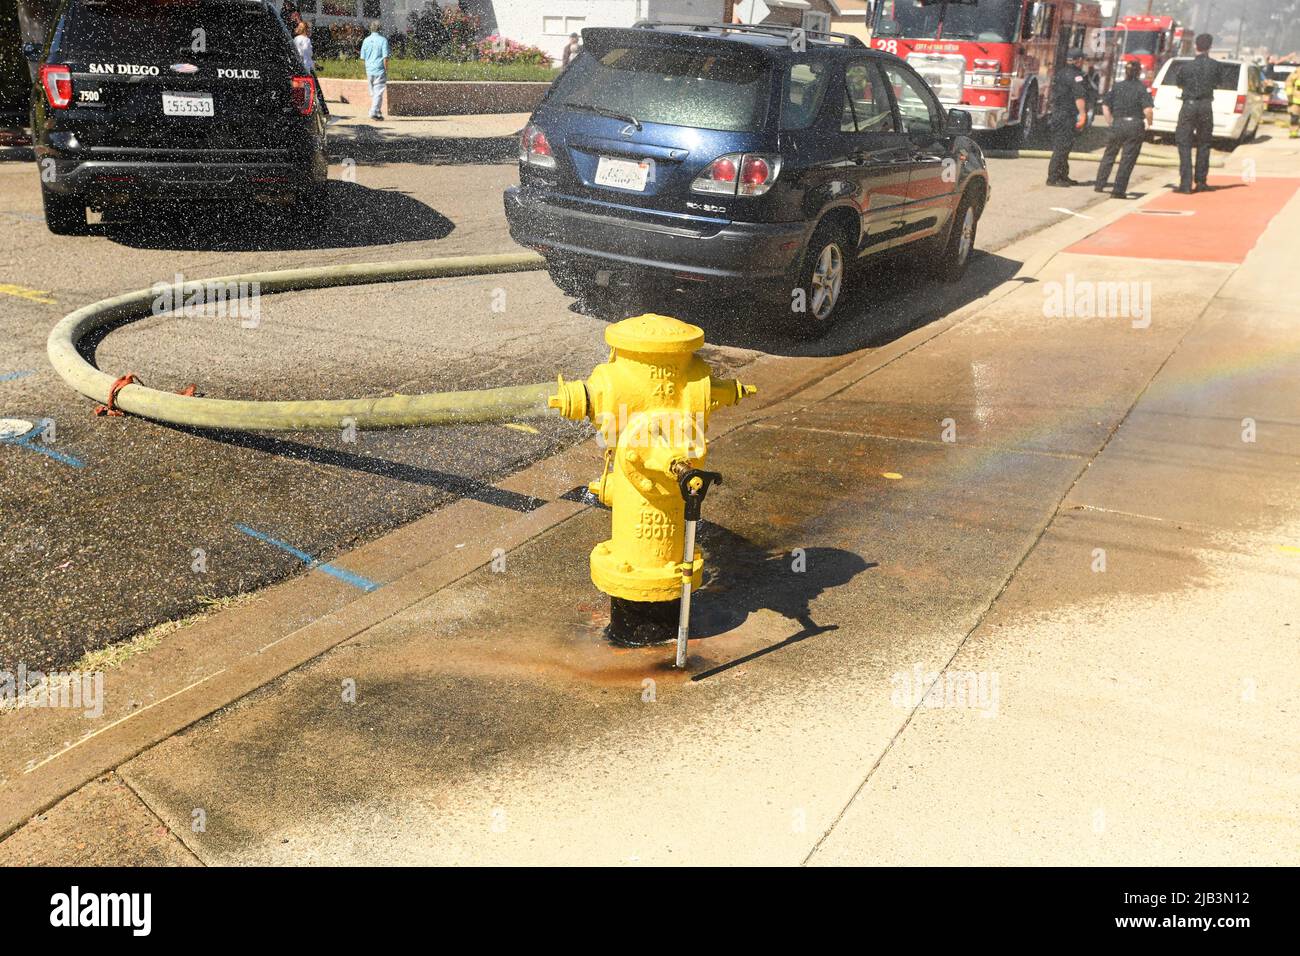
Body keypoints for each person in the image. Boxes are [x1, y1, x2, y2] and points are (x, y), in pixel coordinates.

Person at [1094, 60, 1154, 199]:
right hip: (1134, 125)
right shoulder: (1141, 88)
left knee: (1109, 154)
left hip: (1118, 124)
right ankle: (1118, 190)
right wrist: (1149, 123)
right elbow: (1148, 110)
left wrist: (1111, 122)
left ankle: (1100, 184)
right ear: (1139, 72)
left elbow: (1105, 106)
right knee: (1127, 159)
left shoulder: (1117, 86)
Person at [1173, 34, 1218, 194]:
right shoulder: (1215, 66)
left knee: (1184, 143)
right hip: (1206, 105)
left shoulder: (1186, 67)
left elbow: (1179, 83)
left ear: (1195, 46)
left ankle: (1185, 183)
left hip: (1189, 105)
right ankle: (1201, 181)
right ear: (1210, 47)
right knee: (1204, 143)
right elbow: (1217, 82)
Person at [1046, 48, 1089, 187]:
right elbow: (1079, 97)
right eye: (1082, 59)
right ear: (1079, 60)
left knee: (1064, 146)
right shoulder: (1077, 76)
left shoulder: (1061, 72)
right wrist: (1082, 114)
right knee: (1062, 147)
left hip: (1057, 113)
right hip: (1066, 116)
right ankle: (1053, 178)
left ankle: (1063, 176)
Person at [360, 19, 389, 121]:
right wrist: (386, 70)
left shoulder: (366, 40)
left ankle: (377, 112)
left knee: (374, 92)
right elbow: (385, 58)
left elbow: (363, 58)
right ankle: (373, 112)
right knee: (378, 92)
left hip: (369, 70)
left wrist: (367, 68)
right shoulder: (383, 40)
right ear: (380, 29)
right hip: (379, 70)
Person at [1286, 65, 1300, 140]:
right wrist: (1289, 95)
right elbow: (1289, 82)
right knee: (1294, 117)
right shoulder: (1297, 71)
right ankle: (1293, 133)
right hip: (1296, 99)